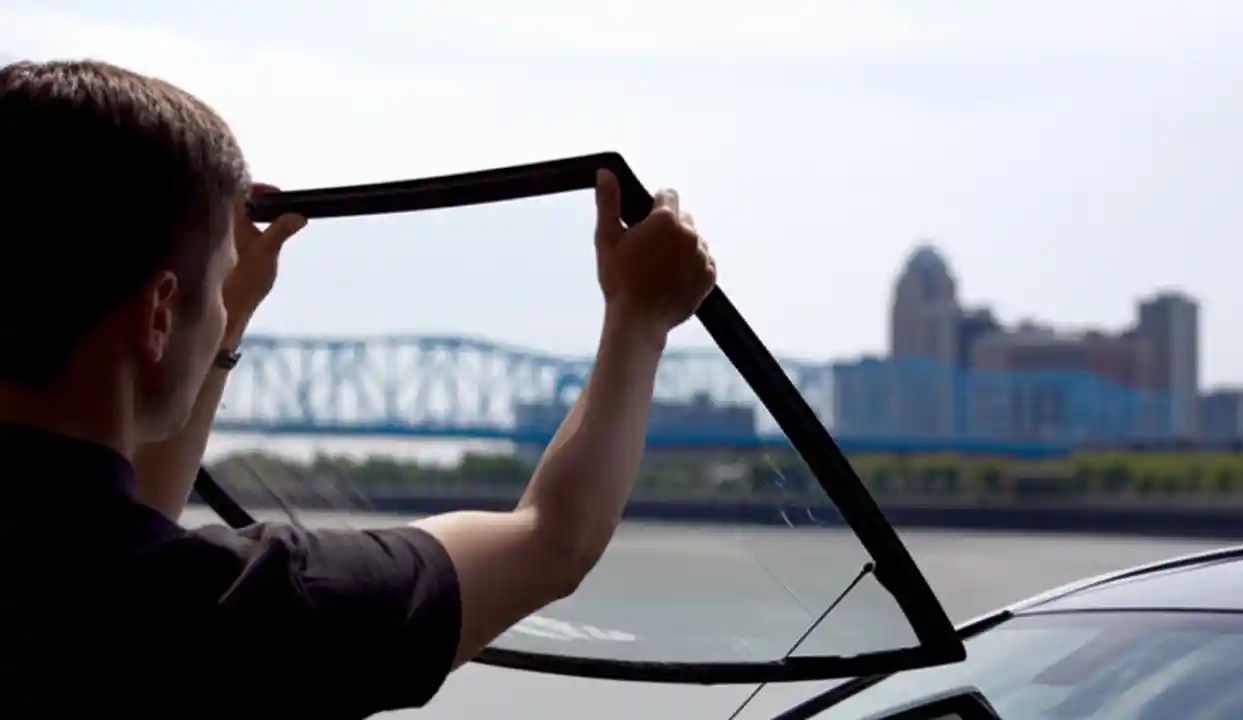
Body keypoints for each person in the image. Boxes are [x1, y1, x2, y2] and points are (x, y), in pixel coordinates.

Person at [0, 59, 716, 717]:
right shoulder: (236, 611)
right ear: (159, 313)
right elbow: (553, 540)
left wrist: (225, 313)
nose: (222, 309)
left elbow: (105, 530)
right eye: (217, 285)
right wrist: (639, 320)